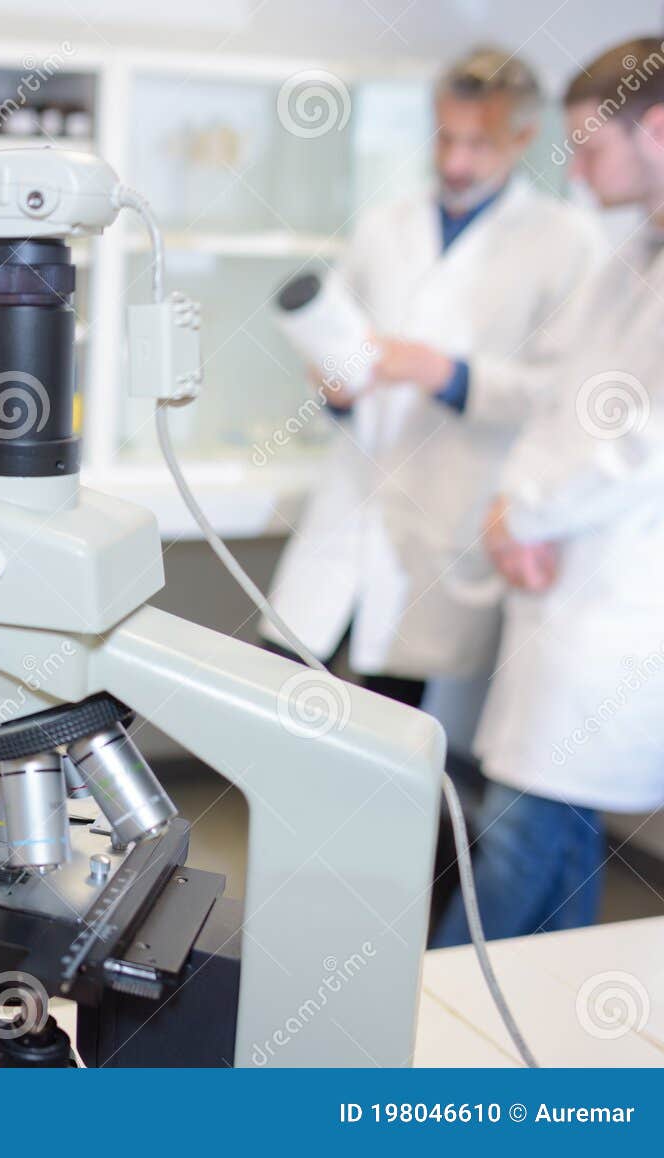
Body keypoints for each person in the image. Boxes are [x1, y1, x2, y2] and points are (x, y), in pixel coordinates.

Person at [262, 47, 605, 711]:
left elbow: (563, 394)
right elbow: (342, 347)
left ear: (523, 138)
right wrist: (335, 389)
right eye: (446, 138)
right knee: (275, 691)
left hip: (447, 518)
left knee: (394, 722)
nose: (455, 162)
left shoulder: (568, 241)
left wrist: (448, 373)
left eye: (479, 144)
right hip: (349, 504)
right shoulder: (383, 225)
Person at [432, 37, 664, 946]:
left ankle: (431, 1014)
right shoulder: (629, 256)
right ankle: (537, 1024)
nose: (577, 168)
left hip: (617, 601)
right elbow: (558, 402)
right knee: (553, 844)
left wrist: (524, 514)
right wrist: (510, 514)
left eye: (593, 146)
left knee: (523, 836)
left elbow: (642, 448)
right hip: (559, 577)